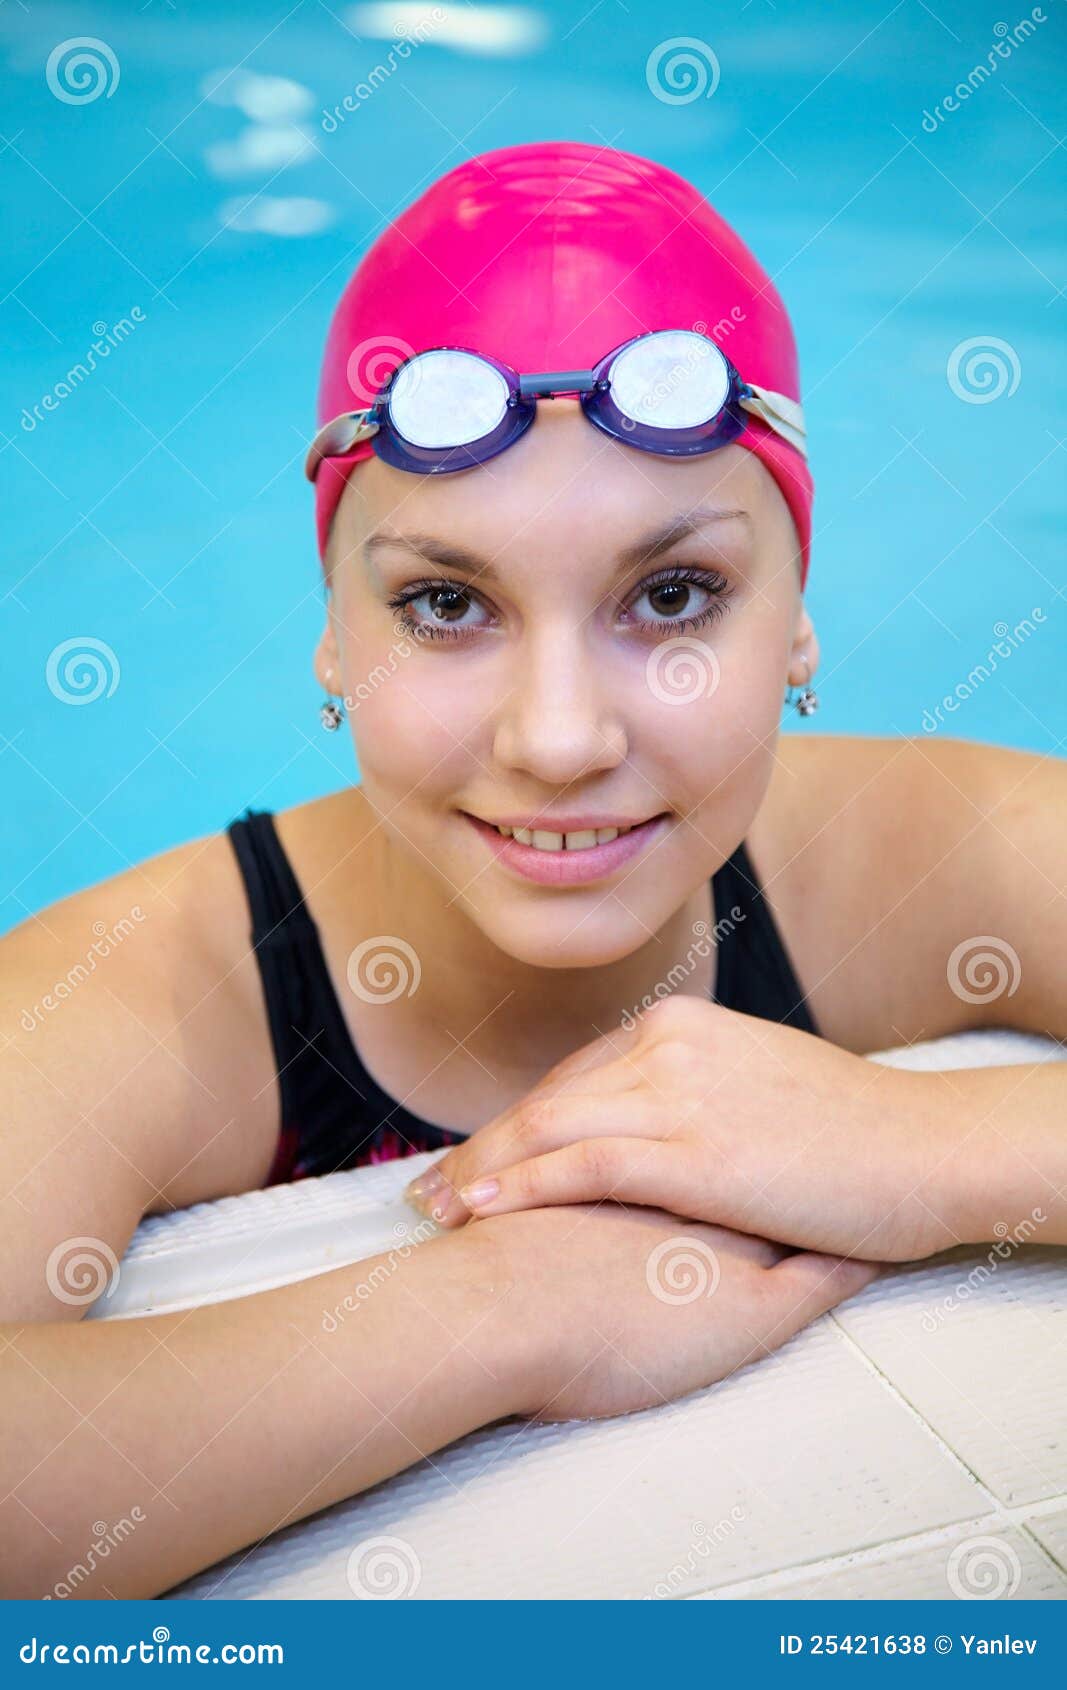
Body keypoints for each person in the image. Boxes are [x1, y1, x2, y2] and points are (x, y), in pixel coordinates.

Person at [1, 141, 1062, 1601]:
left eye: (672, 595)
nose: (560, 738)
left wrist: (917, 1144)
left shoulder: (901, 852)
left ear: (800, 621)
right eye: (445, 603)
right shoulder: (152, 990)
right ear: (328, 634)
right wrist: (490, 1311)